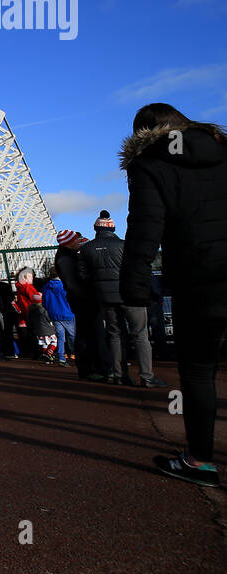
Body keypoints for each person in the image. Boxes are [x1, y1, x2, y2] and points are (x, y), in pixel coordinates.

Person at [118, 102, 225, 485]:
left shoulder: (151, 165)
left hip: (201, 280)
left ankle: (200, 462)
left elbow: (145, 231)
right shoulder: (223, 149)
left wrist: (133, 289)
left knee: (200, 371)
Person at [80, 210, 157, 386]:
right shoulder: (125, 245)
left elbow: (83, 275)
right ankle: (147, 377)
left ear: (95, 229)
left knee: (115, 335)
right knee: (140, 335)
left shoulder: (86, 249)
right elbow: (139, 269)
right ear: (113, 228)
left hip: (105, 298)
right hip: (131, 296)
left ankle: (119, 375)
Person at [55, 230, 101, 380]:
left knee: (85, 333)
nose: (79, 241)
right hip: (82, 301)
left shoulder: (66, 257)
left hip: (80, 300)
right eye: (76, 239)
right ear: (69, 242)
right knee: (85, 333)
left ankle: (89, 367)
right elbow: (73, 283)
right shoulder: (66, 259)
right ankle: (88, 368)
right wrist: (87, 295)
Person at [13, 268, 57, 362]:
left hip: (23, 314)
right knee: (40, 336)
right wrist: (41, 295)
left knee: (29, 336)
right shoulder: (27, 287)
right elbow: (36, 298)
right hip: (32, 313)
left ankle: (32, 352)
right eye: (31, 276)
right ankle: (43, 353)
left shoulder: (20, 286)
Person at [42, 267, 75, 365]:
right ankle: (79, 354)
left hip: (54, 314)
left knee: (61, 337)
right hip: (67, 313)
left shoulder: (46, 286)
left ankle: (61, 357)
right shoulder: (64, 285)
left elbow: (44, 302)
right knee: (72, 336)